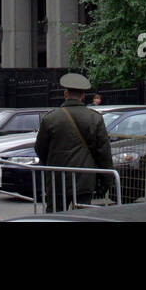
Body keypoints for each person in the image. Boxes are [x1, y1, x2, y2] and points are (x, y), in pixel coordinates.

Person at [35, 73, 113, 212]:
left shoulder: (51, 118)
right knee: (82, 216)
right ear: (83, 96)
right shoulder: (94, 118)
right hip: (84, 179)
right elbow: (103, 152)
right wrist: (107, 180)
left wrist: (52, 163)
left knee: (55, 217)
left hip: (57, 179)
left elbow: (40, 149)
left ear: (65, 94)